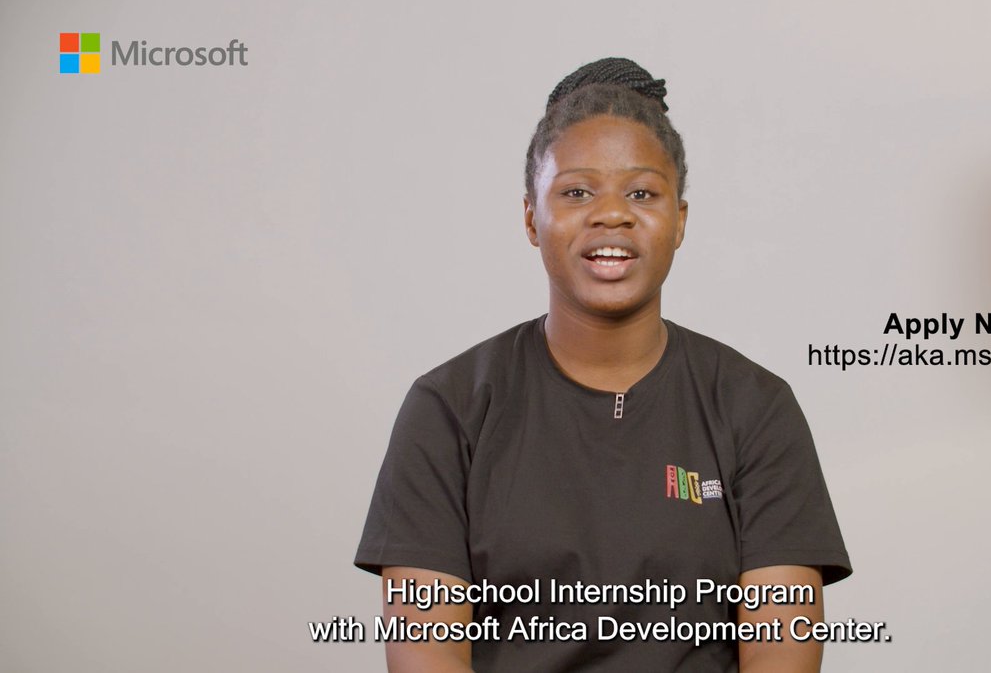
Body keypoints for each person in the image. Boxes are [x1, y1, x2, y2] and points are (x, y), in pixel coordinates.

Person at [355, 57, 852, 672]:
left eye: (641, 193)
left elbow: (782, 654)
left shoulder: (756, 407)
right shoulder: (449, 408)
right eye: (576, 192)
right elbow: (425, 655)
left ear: (679, 221)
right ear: (531, 218)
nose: (611, 214)